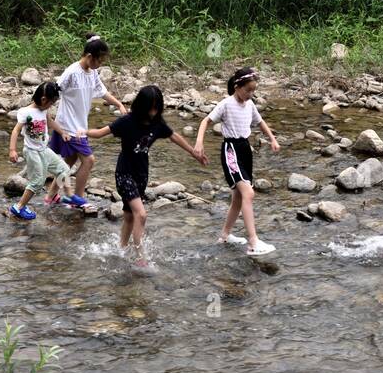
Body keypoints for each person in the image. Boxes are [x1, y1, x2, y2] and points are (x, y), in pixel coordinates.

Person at [88, 84, 206, 271]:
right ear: (141, 105)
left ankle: (121, 248)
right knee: (141, 214)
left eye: (156, 107)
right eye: (150, 107)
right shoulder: (126, 121)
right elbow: (101, 133)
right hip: (124, 173)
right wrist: (81, 133)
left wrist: (193, 153)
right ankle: (140, 257)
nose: (153, 111)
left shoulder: (157, 124)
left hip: (141, 174)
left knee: (128, 215)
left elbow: (174, 136)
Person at [196, 67, 279, 257]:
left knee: (238, 198)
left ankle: (225, 235)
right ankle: (253, 242)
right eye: (248, 90)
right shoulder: (226, 104)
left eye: (253, 90)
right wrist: (199, 142)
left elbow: (260, 122)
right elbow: (205, 121)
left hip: (244, 150)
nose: (250, 94)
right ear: (237, 87)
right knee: (248, 194)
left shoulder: (250, 105)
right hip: (231, 151)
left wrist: (272, 139)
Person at [51, 34, 127, 208]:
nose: (100, 65)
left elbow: (102, 92)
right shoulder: (71, 72)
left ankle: (51, 195)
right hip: (68, 126)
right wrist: (41, 112)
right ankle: (78, 199)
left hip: (80, 125)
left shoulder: (92, 73)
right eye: (99, 61)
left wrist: (118, 103)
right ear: (89, 57)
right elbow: (54, 90)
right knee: (89, 160)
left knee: (68, 162)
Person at [8, 81, 76, 221]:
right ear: (44, 99)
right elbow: (16, 130)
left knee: (64, 169)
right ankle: (18, 207)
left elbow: (50, 122)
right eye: (51, 103)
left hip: (44, 150)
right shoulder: (26, 112)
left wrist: (62, 132)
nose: (51, 106)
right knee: (38, 181)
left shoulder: (44, 110)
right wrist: (12, 150)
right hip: (32, 151)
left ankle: (53, 195)